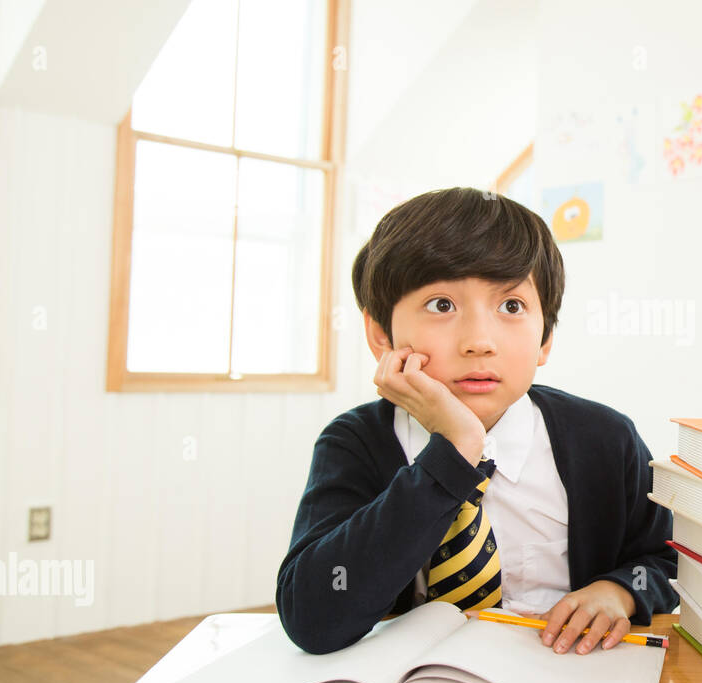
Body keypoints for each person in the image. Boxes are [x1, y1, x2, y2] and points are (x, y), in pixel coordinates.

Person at [276, 187, 678, 655]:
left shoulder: (605, 439)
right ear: (380, 334)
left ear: (545, 337)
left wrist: (620, 590)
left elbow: (665, 561)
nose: (479, 342)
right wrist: (453, 452)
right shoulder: (355, 442)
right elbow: (313, 617)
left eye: (511, 307)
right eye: (442, 305)